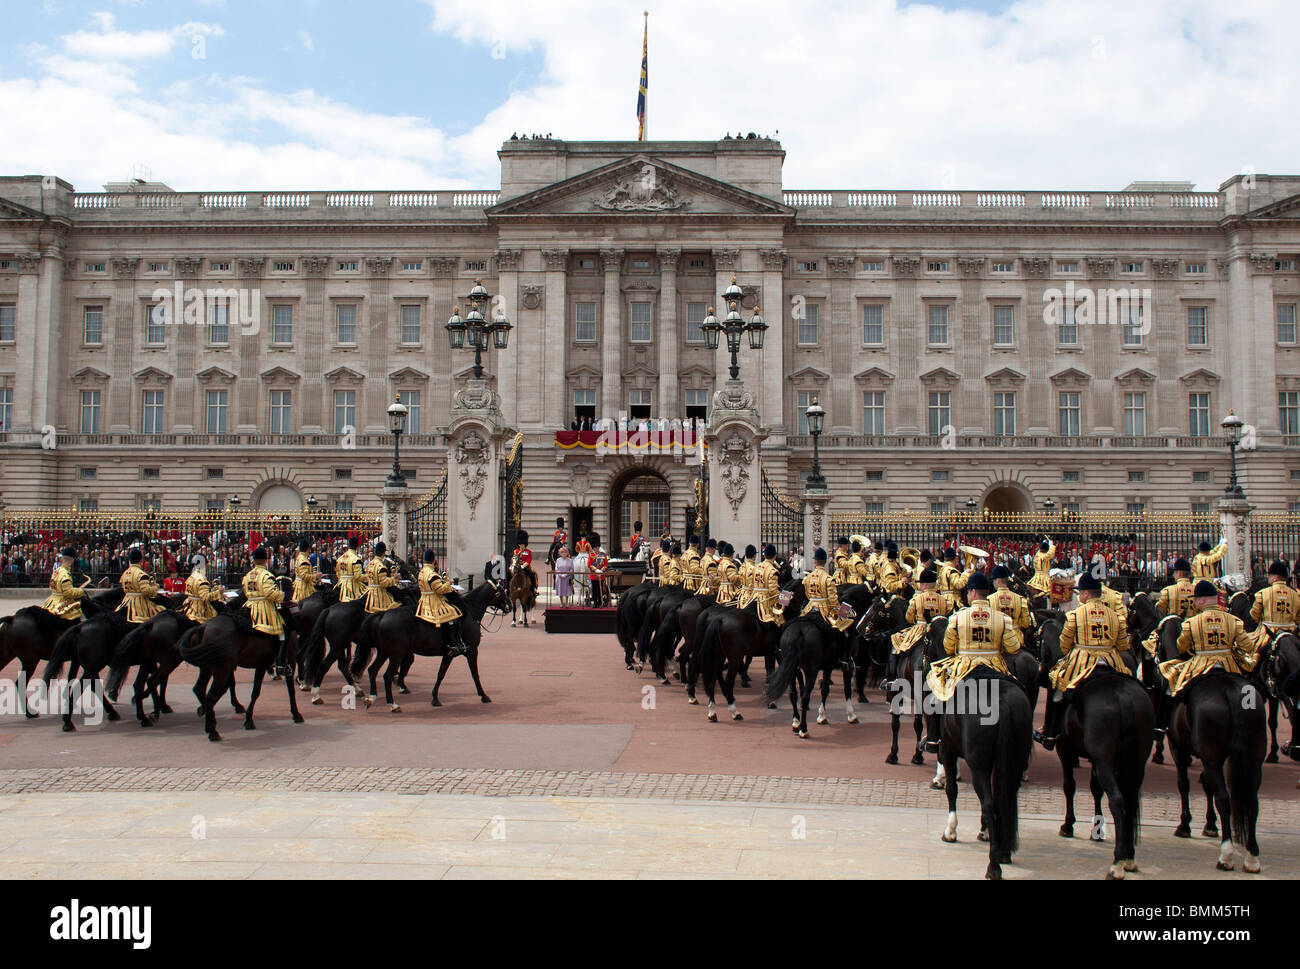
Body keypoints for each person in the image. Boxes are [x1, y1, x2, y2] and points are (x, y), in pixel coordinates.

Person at [924, 572, 1022, 751]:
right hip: (995, 665)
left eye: (968, 592)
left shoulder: (957, 618)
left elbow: (948, 647)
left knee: (936, 689)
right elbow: (1014, 647)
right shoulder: (1003, 619)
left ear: (973, 593)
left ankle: (935, 737)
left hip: (964, 666)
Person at [1036, 572, 1132, 750]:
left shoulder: (1075, 615)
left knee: (1057, 685)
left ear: (1087, 593)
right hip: (1111, 660)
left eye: (1080, 592)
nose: (1079, 596)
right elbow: (1123, 645)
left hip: (1082, 661)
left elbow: (1064, 644)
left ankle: (1050, 734)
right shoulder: (1115, 616)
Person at [1155, 579, 1257, 735]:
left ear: (1202, 600)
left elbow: (1182, 647)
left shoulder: (1191, 623)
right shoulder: (1234, 621)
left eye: (1196, 600)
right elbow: (1248, 647)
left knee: (1172, 686)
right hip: (1230, 665)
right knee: (1250, 686)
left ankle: (1165, 724)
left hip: (1200, 665)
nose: (1194, 603)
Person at [889, 566, 952, 683]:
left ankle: (893, 678)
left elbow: (909, 618)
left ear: (924, 585)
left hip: (920, 630)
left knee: (896, 646)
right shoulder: (944, 600)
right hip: (937, 631)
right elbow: (947, 613)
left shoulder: (916, 599)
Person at [416, 549, 467, 656]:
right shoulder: (432, 574)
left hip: (423, 601)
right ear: (434, 560)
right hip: (433, 602)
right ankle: (454, 643)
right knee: (454, 613)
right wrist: (449, 584)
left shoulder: (422, 572)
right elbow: (439, 589)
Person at [1250, 559, 1300, 663]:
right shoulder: (1296, 595)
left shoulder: (1262, 593)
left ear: (1275, 578)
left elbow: (1254, 615)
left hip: (1267, 636)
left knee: (1250, 657)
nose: (1268, 577)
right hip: (1291, 633)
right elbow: (1298, 619)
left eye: (1270, 575)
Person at [117, 548, 164, 624]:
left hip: (126, 602)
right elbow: (146, 591)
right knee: (162, 611)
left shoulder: (125, 573)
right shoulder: (141, 574)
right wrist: (155, 587)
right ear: (140, 561)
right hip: (139, 605)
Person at [42, 547, 88, 621]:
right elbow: (68, 593)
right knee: (82, 618)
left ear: (62, 558)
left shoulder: (57, 570)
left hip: (52, 601)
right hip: (62, 603)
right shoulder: (65, 574)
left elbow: (51, 586)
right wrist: (80, 591)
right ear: (72, 560)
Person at [987, 565, 1033, 633]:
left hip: (997, 638)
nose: (993, 583)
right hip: (1016, 638)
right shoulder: (1020, 599)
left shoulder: (989, 600)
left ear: (998, 581)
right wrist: (1016, 624)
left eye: (994, 581)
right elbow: (1026, 623)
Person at [183, 556, 223, 624]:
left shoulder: (192, 576)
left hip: (189, 606)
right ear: (205, 564)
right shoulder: (201, 579)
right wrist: (219, 592)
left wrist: (212, 590)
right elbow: (205, 597)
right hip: (199, 610)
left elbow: (197, 591)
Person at [363, 541, 400, 614]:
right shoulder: (381, 566)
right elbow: (383, 583)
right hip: (379, 595)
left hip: (369, 593)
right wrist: (394, 579)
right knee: (396, 606)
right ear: (383, 553)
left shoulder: (370, 564)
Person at [754, 544, 785, 628]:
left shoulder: (756, 566)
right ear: (775, 556)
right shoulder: (773, 571)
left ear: (764, 555)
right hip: (765, 601)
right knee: (779, 620)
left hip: (754, 597)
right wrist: (786, 598)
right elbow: (773, 592)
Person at [292, 537, 322, 603]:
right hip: (303, 587)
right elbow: (304, 576)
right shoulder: (303, 560)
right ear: (308, 549)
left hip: (300, 584)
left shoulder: (300, 557)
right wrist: (316, 576)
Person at [336, 537, 365, 603]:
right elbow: (358, 577)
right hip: (352, 586)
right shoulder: (356, 559)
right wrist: (368, 576)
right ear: (357, 547)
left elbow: (338, 574)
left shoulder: (340, 558)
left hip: (340, 585)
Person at [514, 531, 538, 595]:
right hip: (517, 566)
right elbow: (514, 559)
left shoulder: (528, 551)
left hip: (525, 567)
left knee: (532, 574)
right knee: (509, 575)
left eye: (523, 544)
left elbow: (529, 560)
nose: (521, 546)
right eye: (520, 544)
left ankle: (533, 589)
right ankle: (508, 589)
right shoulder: (516, 551)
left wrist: (523, 566)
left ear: (525, 544)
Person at [589, 534, 609, 607]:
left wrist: (601, 570)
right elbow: (589, 564)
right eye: (595, 547)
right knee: (594, 590)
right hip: (594, 575)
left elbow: (606, 564)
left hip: (601, 575)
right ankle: (595, 603)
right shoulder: (591, 555)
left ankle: (600, 603)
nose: (596, 548)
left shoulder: (603, 554)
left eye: (597, 547)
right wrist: (596, 570)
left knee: (599, 590)